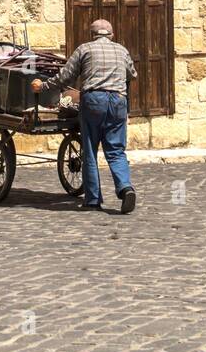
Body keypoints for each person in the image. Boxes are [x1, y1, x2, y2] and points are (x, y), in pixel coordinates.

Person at [32, 19, 138, 214]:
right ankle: (125, 188)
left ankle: (93, 199)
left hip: (93, 101)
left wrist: (43, 87)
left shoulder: (84, 49)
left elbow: (65, 76)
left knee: (89, 148)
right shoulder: (122, 50)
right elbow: (132, 75)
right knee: (116, 149)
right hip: (118, 100)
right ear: (112, 35)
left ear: (92, 35)